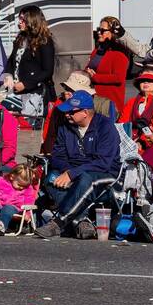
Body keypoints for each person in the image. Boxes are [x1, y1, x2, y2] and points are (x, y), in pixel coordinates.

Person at [34, 90, 122, 239]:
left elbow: (104, 163)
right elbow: (57, 156)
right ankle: (81, 221)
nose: (67, 114)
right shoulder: (65, 126)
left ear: (85, 112)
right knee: (51, 178)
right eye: (66, 111)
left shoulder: (105, 126)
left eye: (71, 111)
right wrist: (67, 171)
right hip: (74, 171)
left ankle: (58, 222)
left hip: (106, 175)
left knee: (86, 179)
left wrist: (72, 174)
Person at [4, 5, 56, 129]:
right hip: (16, 93)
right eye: (19, 19)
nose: (19, 23)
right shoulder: (20, 39)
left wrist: (26, 83)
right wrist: (8, 76)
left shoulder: (45, 41)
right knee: (14, 128)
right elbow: (11, 62)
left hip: (35, 94)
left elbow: (48, 71)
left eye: (23, 20)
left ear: (32, 21)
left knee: (29, 132)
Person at [86, 16, 131, 109]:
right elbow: (89, 68)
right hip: (93, 99)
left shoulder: (120, 52)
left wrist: (95, 77)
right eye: (99, 29)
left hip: (108, 103)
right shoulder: (97, 50)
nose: (99, 33)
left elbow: (119, 78)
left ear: (113, 33)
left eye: (103, 30)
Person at [0, 163, 40, 236]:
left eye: (24, 186)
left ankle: (1, 226)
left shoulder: (28, 188)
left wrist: (27, 214)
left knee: (7, 208)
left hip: (15, 207)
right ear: (12, 177)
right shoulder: (0, 181)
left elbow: (29, 201)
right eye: (19, 185)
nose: (22, 188)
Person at [121, 70, 153, 160]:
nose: (145, 82)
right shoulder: (131, 102)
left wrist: (142, 141)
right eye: (142, 80)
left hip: (151, 142)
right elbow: (122, 123)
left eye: (150, 80)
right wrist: (129, 142)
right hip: (129, 141)